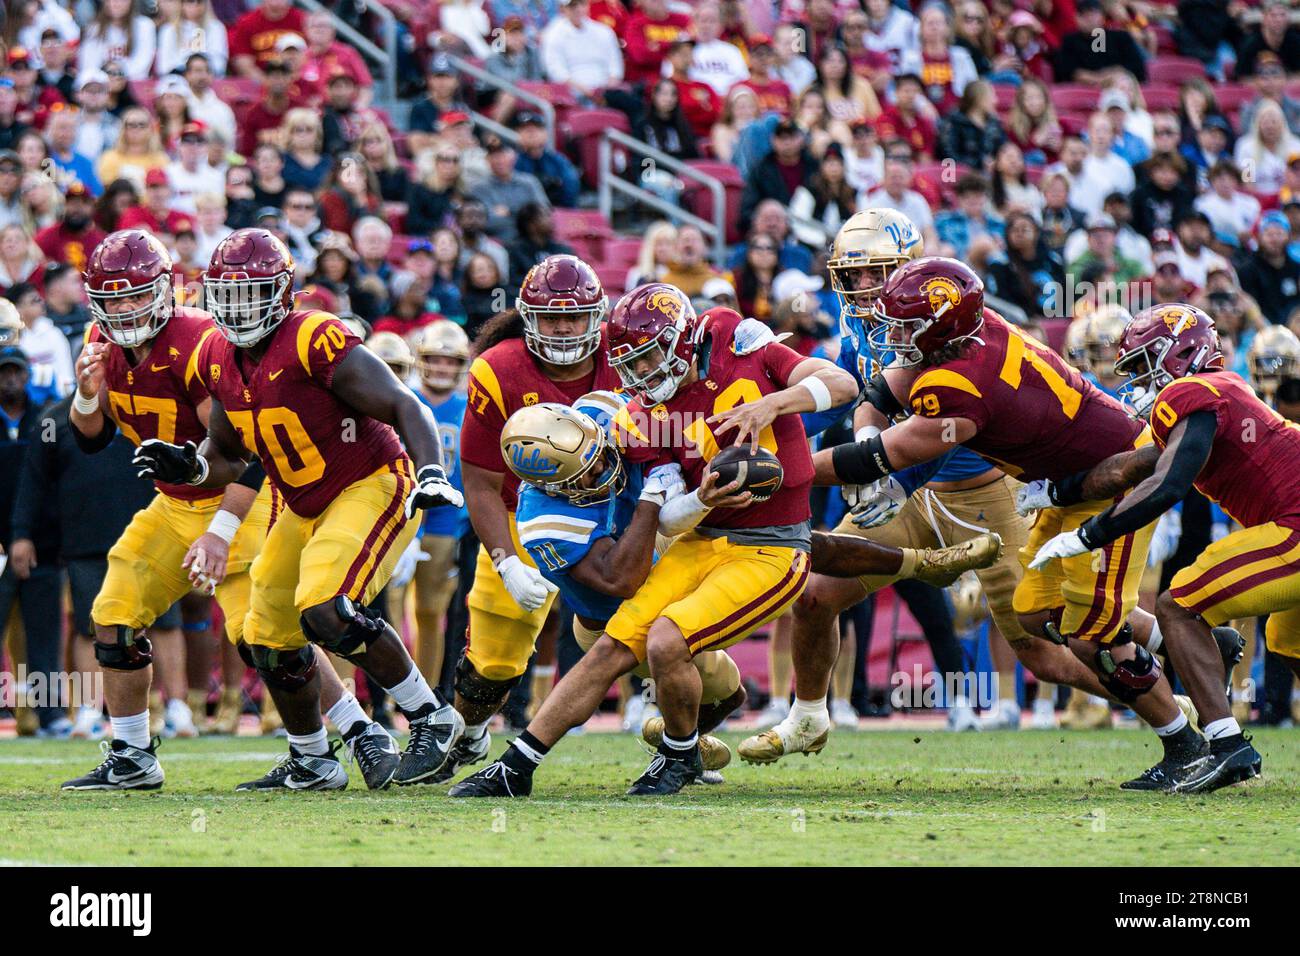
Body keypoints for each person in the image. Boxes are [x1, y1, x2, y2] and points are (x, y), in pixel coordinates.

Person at [817, 256, 1213, 790]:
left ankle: (1186, 743)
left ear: (940, 329)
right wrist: (867, 439)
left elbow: (876, 459)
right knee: (1032, 613)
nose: (897, 337)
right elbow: (878, 400)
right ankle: (1187, 643)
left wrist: (787, 474)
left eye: (908, 325)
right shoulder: (978, 331)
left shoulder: (960, 385)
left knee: (1089, 631)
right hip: (1060, 487)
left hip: (1114, 481)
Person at [130, 228, 464, 791]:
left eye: (251, 293)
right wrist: (189, 466)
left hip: (370, 483)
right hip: (300, 504)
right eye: (227, 295)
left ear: (283, 293)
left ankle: (432, 716)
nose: (237, 309)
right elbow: (228, 451)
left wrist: (432, 471)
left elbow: (404, 404)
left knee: (325, 609)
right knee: (264, 634)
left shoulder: (313, 336)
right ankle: (313, 758)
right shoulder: (216, 353)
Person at [1030, 303, 1300, 792]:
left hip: (1294, 528)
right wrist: (1057, 492)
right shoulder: (1220, 395)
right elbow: (1129, 468)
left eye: (1144, 364)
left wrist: (1089, 534)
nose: (1138, 380)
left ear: (1178, 353)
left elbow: (1168, 483)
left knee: (1178, 607)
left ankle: (1225, 745)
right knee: (1286, 639)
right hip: (1289, 525)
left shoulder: (1195, 392)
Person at [57, 231, 275, 790]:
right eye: (114, 299)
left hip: (238, 498)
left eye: (135, 297)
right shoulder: (100, 340)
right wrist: (86, 394)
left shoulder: (199, 340)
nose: (125, 310)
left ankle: (341, 738)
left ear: (163, 289)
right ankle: (132, 756)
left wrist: (222, 531)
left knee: (264, 635)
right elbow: (89, 438)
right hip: (173, 503)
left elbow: (244, 453)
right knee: (113, 616)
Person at [449, 393, 750, 795]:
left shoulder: (606, 412)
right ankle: (519, 766)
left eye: (601, 455)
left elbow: (665, 417)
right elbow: (621, 580)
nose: (605, 471)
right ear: (551, 486)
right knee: (610, 658)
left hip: (671, 579)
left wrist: (670, 464)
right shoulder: (544, 522)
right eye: (586, 474)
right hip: (612, 611)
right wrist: (651, 498)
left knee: (730, 695)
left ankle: (677, 748)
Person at [447, 255, 622, 783]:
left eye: (575, 316)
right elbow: (477, 480)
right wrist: (504, 561)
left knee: (679, 636)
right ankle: (472, 731)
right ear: (528, 317)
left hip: (619, 513)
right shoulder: (498, 369)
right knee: (492, 667)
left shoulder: (631, 352)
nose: (564, 327)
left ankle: (686, 741)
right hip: (519, 514)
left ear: (599, 316)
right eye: (551, 318)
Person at [404, 322, 471, 691]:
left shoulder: (469, 406)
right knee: (385, 610)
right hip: (402, 515)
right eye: (435, 359)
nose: (443, 367)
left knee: (431, 611)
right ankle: (379, 702)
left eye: (450, 361)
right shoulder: (403, 397)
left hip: (447, 519)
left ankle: (424, 694)